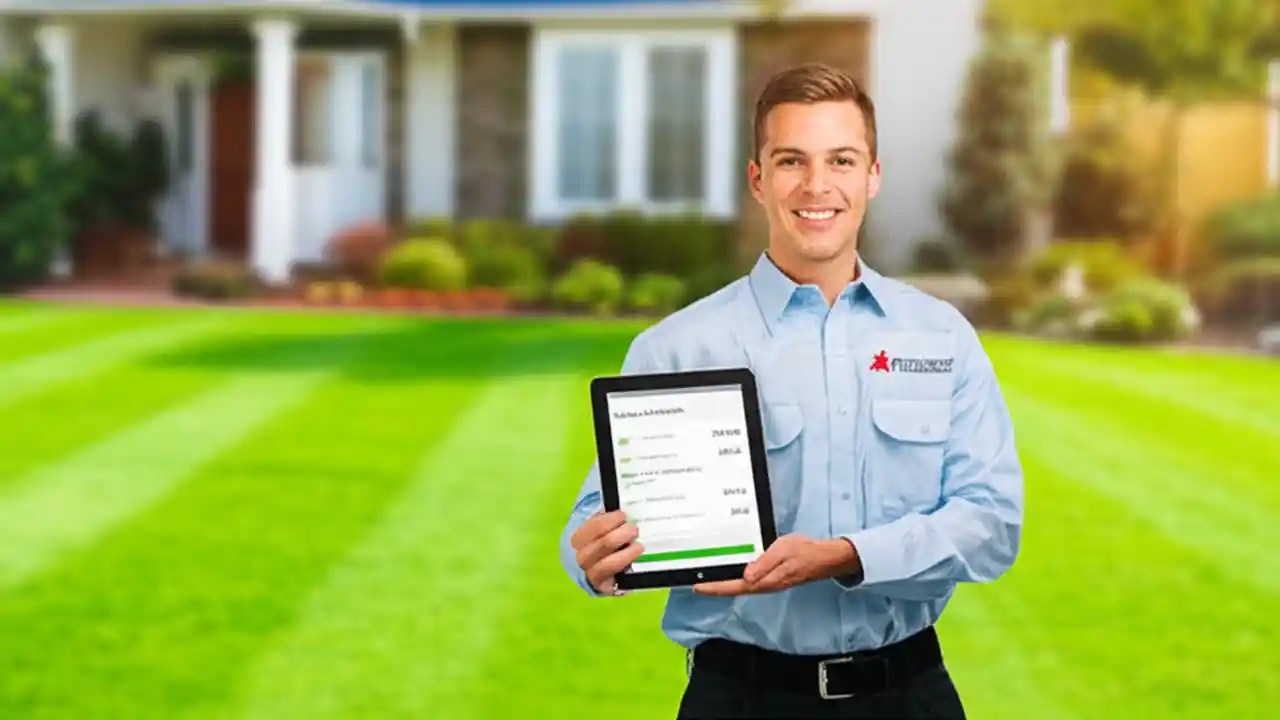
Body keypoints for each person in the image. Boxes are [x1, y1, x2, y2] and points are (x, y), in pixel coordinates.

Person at [559, 62, 1023, 719]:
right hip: (740, 699)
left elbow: (991, 522)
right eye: (790, 161)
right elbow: (593, 519)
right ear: (757, 179)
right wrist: (593, 559)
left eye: (841, 159)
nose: (817, 185)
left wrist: (845, 556)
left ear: (873, 175)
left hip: (910, 695)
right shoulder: (678, 348)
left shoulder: (941, 336)